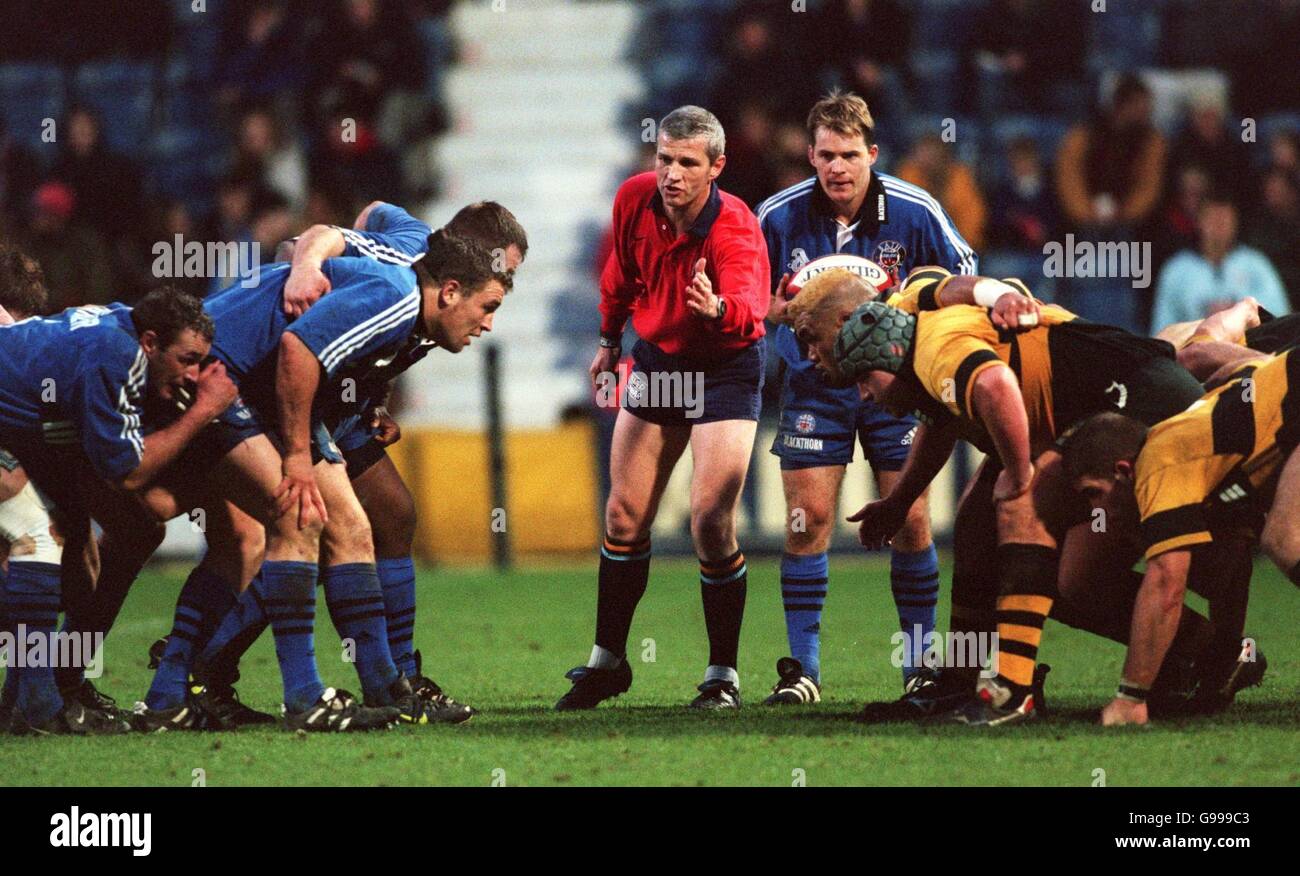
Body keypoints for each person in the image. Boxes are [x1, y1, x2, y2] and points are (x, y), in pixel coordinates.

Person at [804, 267, 1227, 723]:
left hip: (1136, 398)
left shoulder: (934, 349)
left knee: (1037, 530)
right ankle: (962, 681)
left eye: (865, 379)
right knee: (976, 524)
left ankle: (1014, 689)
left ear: (886, 353)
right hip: (1093, 405)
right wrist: (899, 502)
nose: (864, 394)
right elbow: (946, 320)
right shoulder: (905, 315)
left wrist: (1020, 470)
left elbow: (994, 385)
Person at [134, 230, 511, 732]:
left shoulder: (404, 307)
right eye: (487, 306)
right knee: (299, 517)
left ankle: (383, 687)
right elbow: (297, 349)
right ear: (449, 291)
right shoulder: (396, 298)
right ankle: (303, 697)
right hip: (217, 378)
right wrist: (294, 459)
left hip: (256, 388)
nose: (487, 323)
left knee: (349, 528)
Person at [756, 91, 975, 704]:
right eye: (825, 155)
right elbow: (742, 296)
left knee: (909, 519)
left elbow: (963, 276)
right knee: (808, 524)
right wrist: (771, 312)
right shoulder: (774, 217)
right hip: (811, 388)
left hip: (894, 391)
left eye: (850, 154)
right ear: (810, 155)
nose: (837, 168)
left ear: (872, 154)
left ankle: (919, 667)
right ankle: (804, 673)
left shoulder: (916, 210)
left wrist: (921, 321)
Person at [555, 105, 769, 710]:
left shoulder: (735, 228)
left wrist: (718, 310)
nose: (672, 174)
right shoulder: (634, 199)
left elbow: (752, 309)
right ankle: (608, 663)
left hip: (725, 367)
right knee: (623, 516)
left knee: (708, 519)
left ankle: (722, 674)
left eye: (687, 163)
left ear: (716, 168)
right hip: (658, 361)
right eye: (665, 160)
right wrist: (606, 340)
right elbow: (621, 274)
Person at [0, 286, 238, 733]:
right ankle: (38, 704)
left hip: (35, 439)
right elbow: (127, 473)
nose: (192, 374)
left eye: (200, 363)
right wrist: (203, 411)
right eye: (186, 360)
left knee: (126, 539)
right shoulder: (117, 354)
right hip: (16, 435)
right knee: (38, 534)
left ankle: (49, 687)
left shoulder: (123, 330)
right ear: (150, 342)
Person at [1060, 351, 1299, 726]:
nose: (1097, 511)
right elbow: (1232, 566)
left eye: (1094, 493)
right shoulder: (1204, 448)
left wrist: (1130, 698)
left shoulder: (1160, 461)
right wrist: (1224, 659)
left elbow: (1167, 583)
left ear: (1123, 471)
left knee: (1287, 538)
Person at [1150, 195, 1288, 333]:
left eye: (1225, 220)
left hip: (1249, 349)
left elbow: (1281, 317)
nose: (1219, 227)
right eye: (1213, 219)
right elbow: (1162, 329)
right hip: (1193, 349)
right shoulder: (1177, 269)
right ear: (1199, 222)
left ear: (1235, 223)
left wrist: (1239, 313)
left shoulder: (1256, 264)